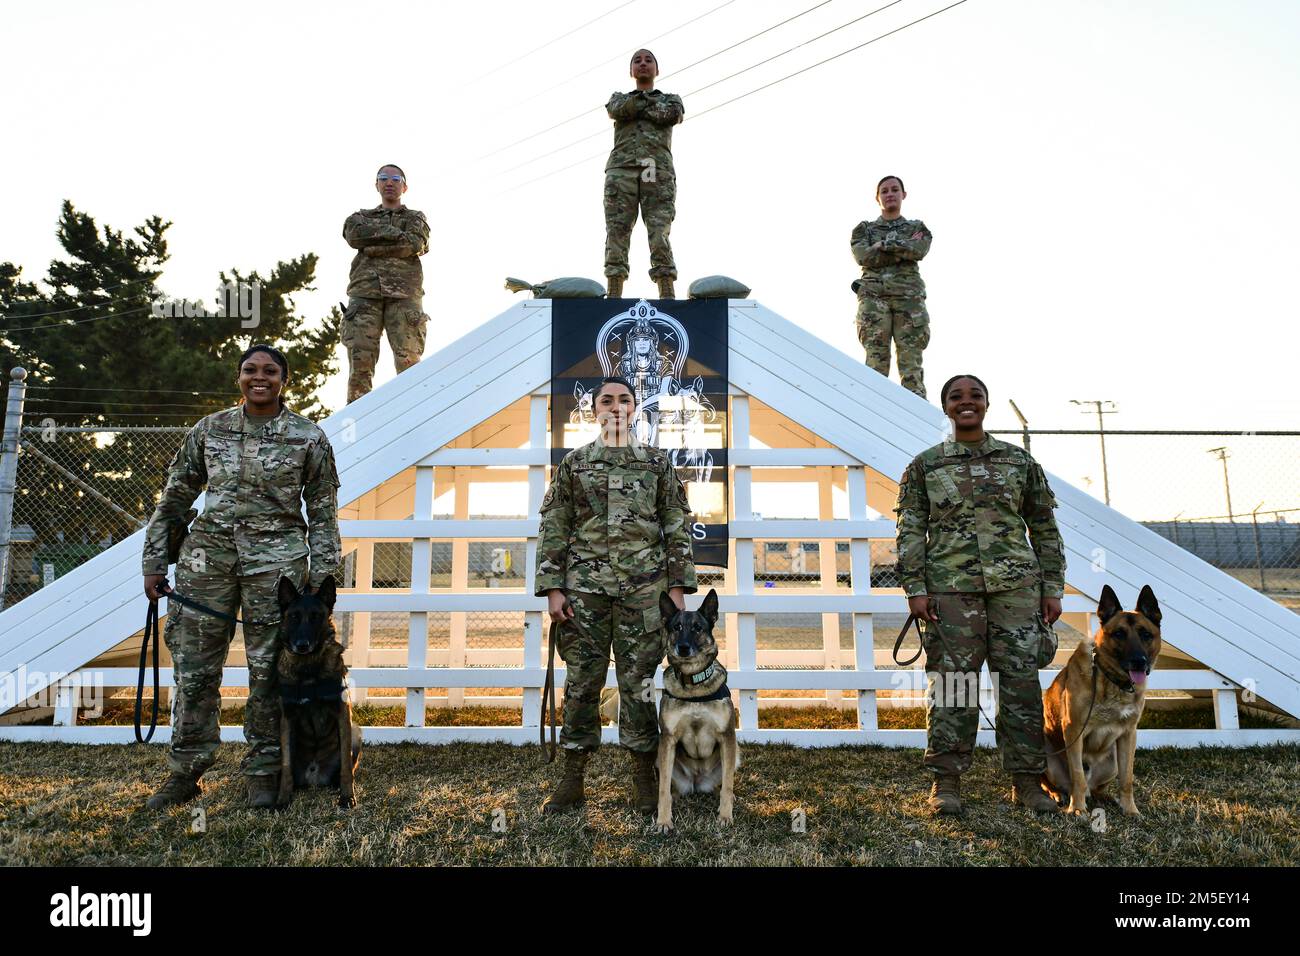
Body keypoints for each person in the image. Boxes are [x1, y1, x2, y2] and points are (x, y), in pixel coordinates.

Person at [141, 344, 342, 810]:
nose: (260, 377)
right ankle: (185, 771)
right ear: (238, 377)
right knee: (194, 669)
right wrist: (155, 559)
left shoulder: (308, 437)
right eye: (250, 369)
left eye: (270, 371)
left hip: (276, 567)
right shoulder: (209, 430)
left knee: (270, 672)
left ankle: (265, 772)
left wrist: (322, 577)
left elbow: (325, 512)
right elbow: (174, 497)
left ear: (283, 380)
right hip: (206, 562)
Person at [894, 374, 1065, 816]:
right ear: (946, 407)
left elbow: (1044, 527)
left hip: (1017, 591)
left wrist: (1051, 587)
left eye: (975, 396)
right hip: (950, 593)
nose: (966, 402)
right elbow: (910, 529)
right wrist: (915, 587)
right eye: (957, 397)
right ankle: (946, 783)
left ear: (986, 404)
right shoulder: (926, 466)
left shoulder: (1019, 462)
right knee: (953, 686)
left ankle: (1028, 783)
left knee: (1020, 685)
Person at [535, 376, 697, 814]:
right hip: (584, 593)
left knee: (640, 686)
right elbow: (555, 525)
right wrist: (552, 588)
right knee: (583, 683)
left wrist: (677, 590)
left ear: (635, 407)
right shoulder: (574, 464)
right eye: (607, 400)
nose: (616, 406)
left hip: (645, 592)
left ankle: (644, 781)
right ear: (595, 409)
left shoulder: (656, 463)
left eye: (625, 399)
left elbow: (676, 524)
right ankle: (572, 779)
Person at [341, 164, 431, 403]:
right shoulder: (359, 218)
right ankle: (358, 427)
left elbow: (414, 244)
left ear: (404, 186)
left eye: (395, 178)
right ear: (377, 185)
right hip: (364, 296)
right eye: (383, 178)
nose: (389, 182)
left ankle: (413, 419)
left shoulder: (415, 217)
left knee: (409, 364)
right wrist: (394, 235)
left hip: (405, 298)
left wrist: (372, 246)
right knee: (360, 366)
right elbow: (354, 236)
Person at [604, 49, 684, 300]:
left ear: (656, 70)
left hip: (654, 169)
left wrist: (639, 106)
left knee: (659, 229)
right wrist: (647, 105)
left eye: (648, 61)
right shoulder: (618, 98)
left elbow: (671, 114)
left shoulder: (671, 99)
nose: (643, 64)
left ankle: (666, 288)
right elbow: (617, 109)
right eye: (637, 61)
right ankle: (614, 289)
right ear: (631, 71)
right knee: (617, 230)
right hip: (622, 171)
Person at [850, 175, 933, 398]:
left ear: (903, 195)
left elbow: (919, 250)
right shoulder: (864, 230)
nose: (890, 194)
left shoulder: (917, 228)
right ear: (877, 198)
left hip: (909, 302)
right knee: (875, 366)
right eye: (884, 191)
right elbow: (863, 257)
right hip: (874, 299)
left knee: (911, 368)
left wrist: (882, 245)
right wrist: (903, 249)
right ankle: (871, 416)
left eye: (894, 189)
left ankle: (916, 423)